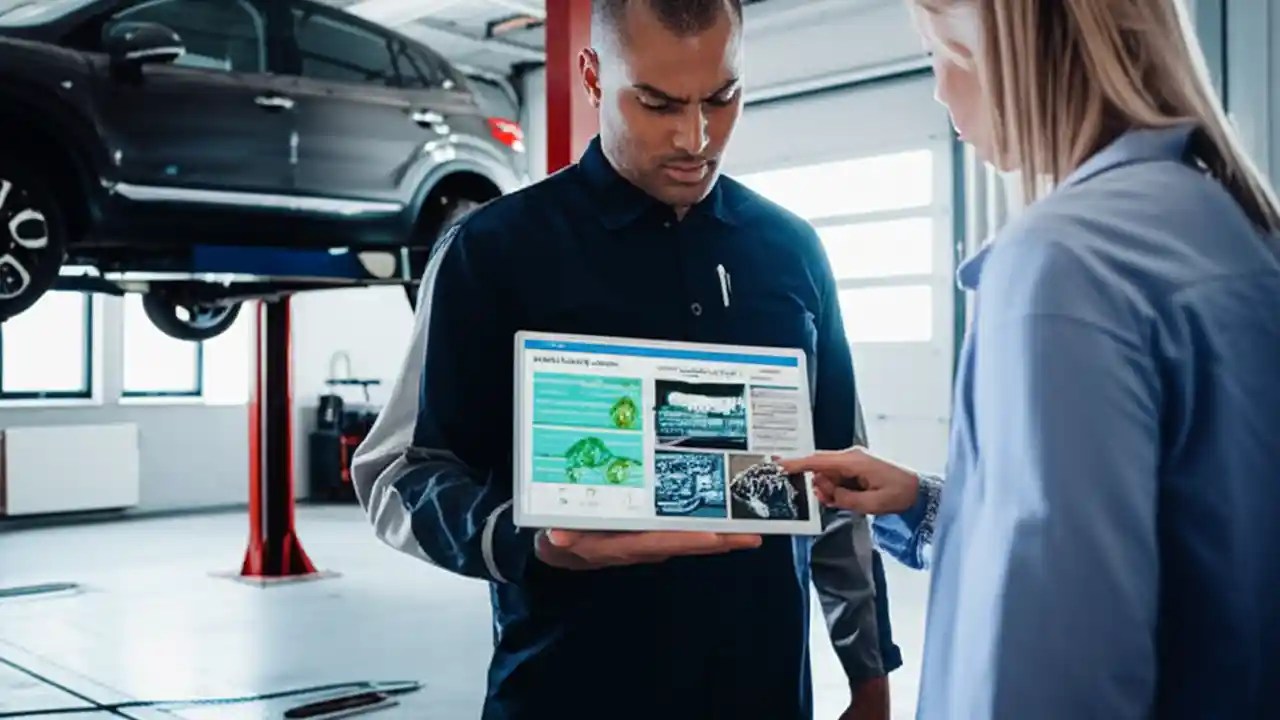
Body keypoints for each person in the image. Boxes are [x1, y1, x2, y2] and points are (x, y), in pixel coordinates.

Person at [349, 1, 902, 718]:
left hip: (762, 693)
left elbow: (840, 480)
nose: (695, 138)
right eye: (657, 103)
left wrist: (869, 674)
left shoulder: (792, 252)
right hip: (566, 690)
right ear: (590, 77)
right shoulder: (493, 253)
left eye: (722, 98)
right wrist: (534, 541)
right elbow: (400, 475)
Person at [780, 0, 1280, 717]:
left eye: (937, 52)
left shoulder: (1062, 263)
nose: (940, 90)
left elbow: (1054, 674)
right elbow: (1185, 553)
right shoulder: (1236, 231)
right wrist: (930, 504)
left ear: (1003, 43)